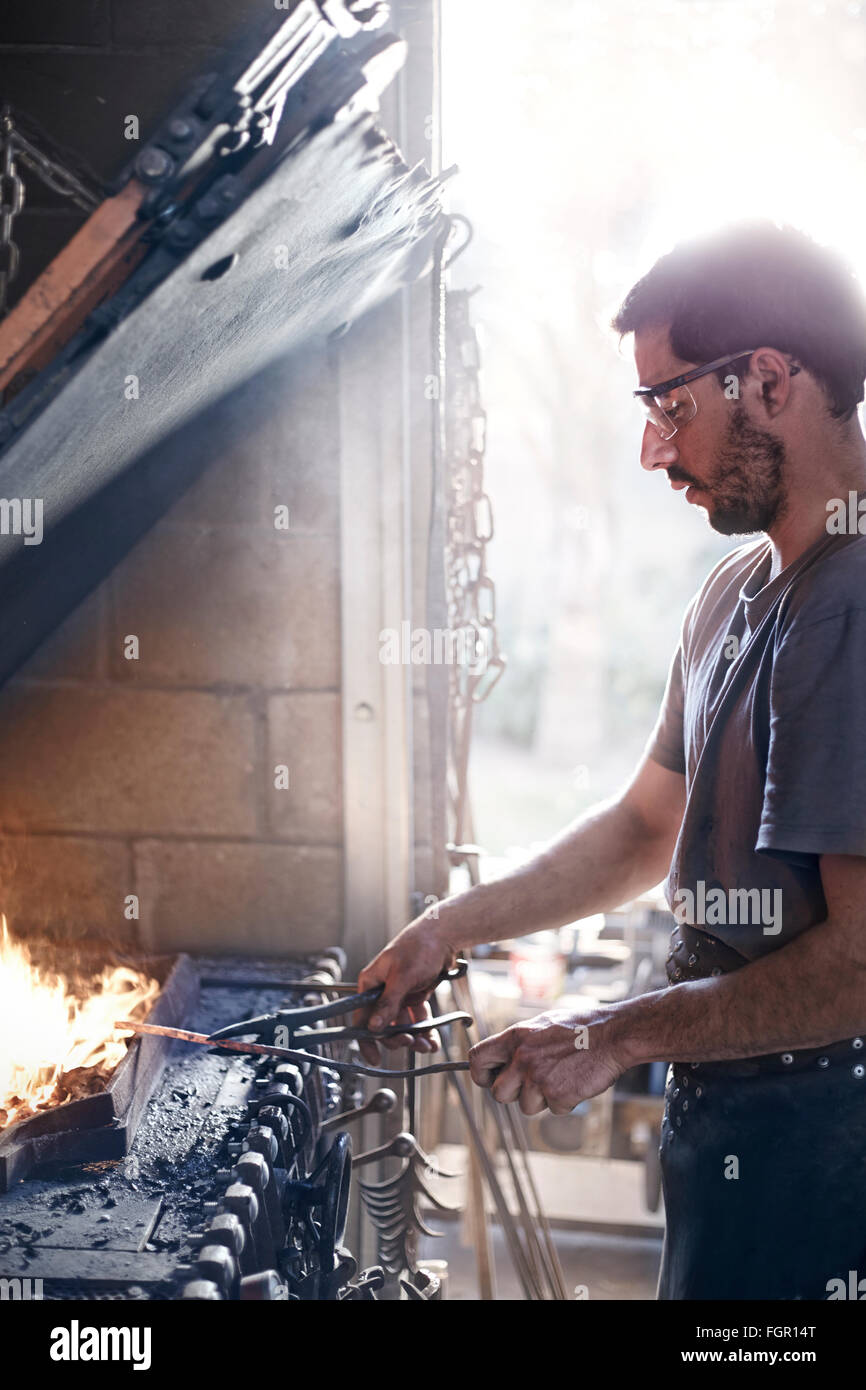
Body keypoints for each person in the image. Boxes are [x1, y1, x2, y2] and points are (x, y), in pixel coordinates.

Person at [356, 221, 866, 1299]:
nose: (650, 450)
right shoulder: (734, 594)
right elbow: (644, 827)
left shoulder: (853, 603)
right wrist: (453, 925)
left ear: (768, 378)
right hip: (727, 1119)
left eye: (668, 406)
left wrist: (607, 1030)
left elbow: (856, 967)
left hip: (833, 1152)